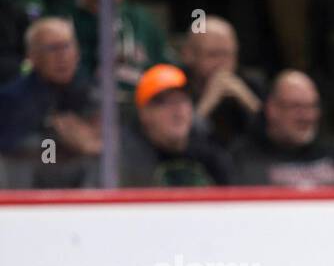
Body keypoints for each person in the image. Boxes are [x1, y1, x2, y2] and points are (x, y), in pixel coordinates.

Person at [0, 16, 101, 188]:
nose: (62, 56)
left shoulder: (90, 90)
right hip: (31, 185)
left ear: (77, 52)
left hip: (80, 183)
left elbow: (102, 141)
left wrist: (91, 142)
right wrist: (56, 140)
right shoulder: (13, 98)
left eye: (67, 46)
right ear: (32, 56)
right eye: (52, 48)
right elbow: (14, 149)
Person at [120, 62, 231, 186]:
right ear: (144, 113)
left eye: (182, 100)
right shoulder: (125, 160)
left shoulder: (210, 155)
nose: (177, 110)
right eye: (164, 103)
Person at [228, 70, 334, 187]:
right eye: (297, 107)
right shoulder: (242, 159)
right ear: (272, 109)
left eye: (312, 106)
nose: (307, 117)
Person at [180, 15, 263, 149]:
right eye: (213, 55)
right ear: (189, 55)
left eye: (227, 55)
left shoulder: (251, 84)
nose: (221, 64)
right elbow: (175, 137)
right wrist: (208, 102)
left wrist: (248, 101)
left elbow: (278, 136)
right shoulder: (176, 87)